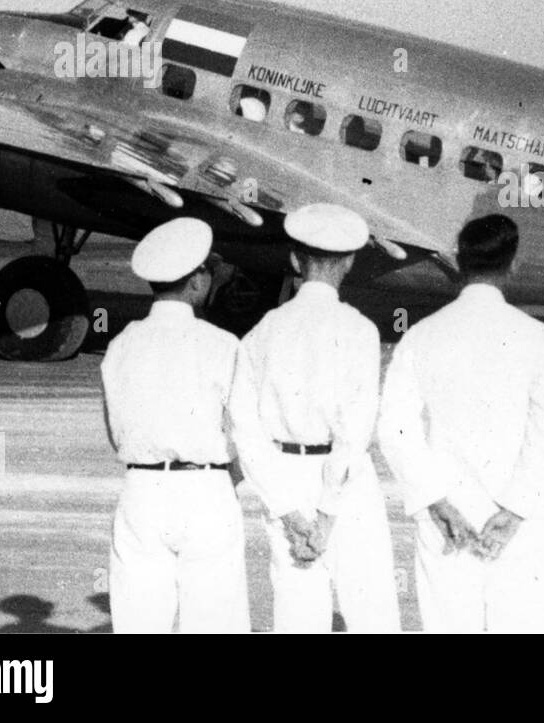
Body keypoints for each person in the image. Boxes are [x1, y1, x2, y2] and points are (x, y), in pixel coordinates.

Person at [378, 214, 544, 632]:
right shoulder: (537, 336)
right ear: (512, 264)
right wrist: (516, 507)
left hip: (449, 519)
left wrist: (435, 500)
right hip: (520, 523)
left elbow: (393, 426)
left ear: (459, 262)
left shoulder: (422, 335)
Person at [228, 203, 399, 633]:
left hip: (283, 476)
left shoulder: (261, 331)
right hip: (345, 484)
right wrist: (326, 511)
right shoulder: (360, 330)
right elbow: (355, 428)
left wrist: (289, 513)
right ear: (350, 262)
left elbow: (245, 430)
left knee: (297, 615)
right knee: (372, 611)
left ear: (293, 260)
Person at [101, 216, 249, 633]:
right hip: (207, 491)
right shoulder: (223, 345)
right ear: (198, 279)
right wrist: (225, 479)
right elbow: (243, 433)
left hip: (141, 492)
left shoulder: (121, 344)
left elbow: (116, 431)